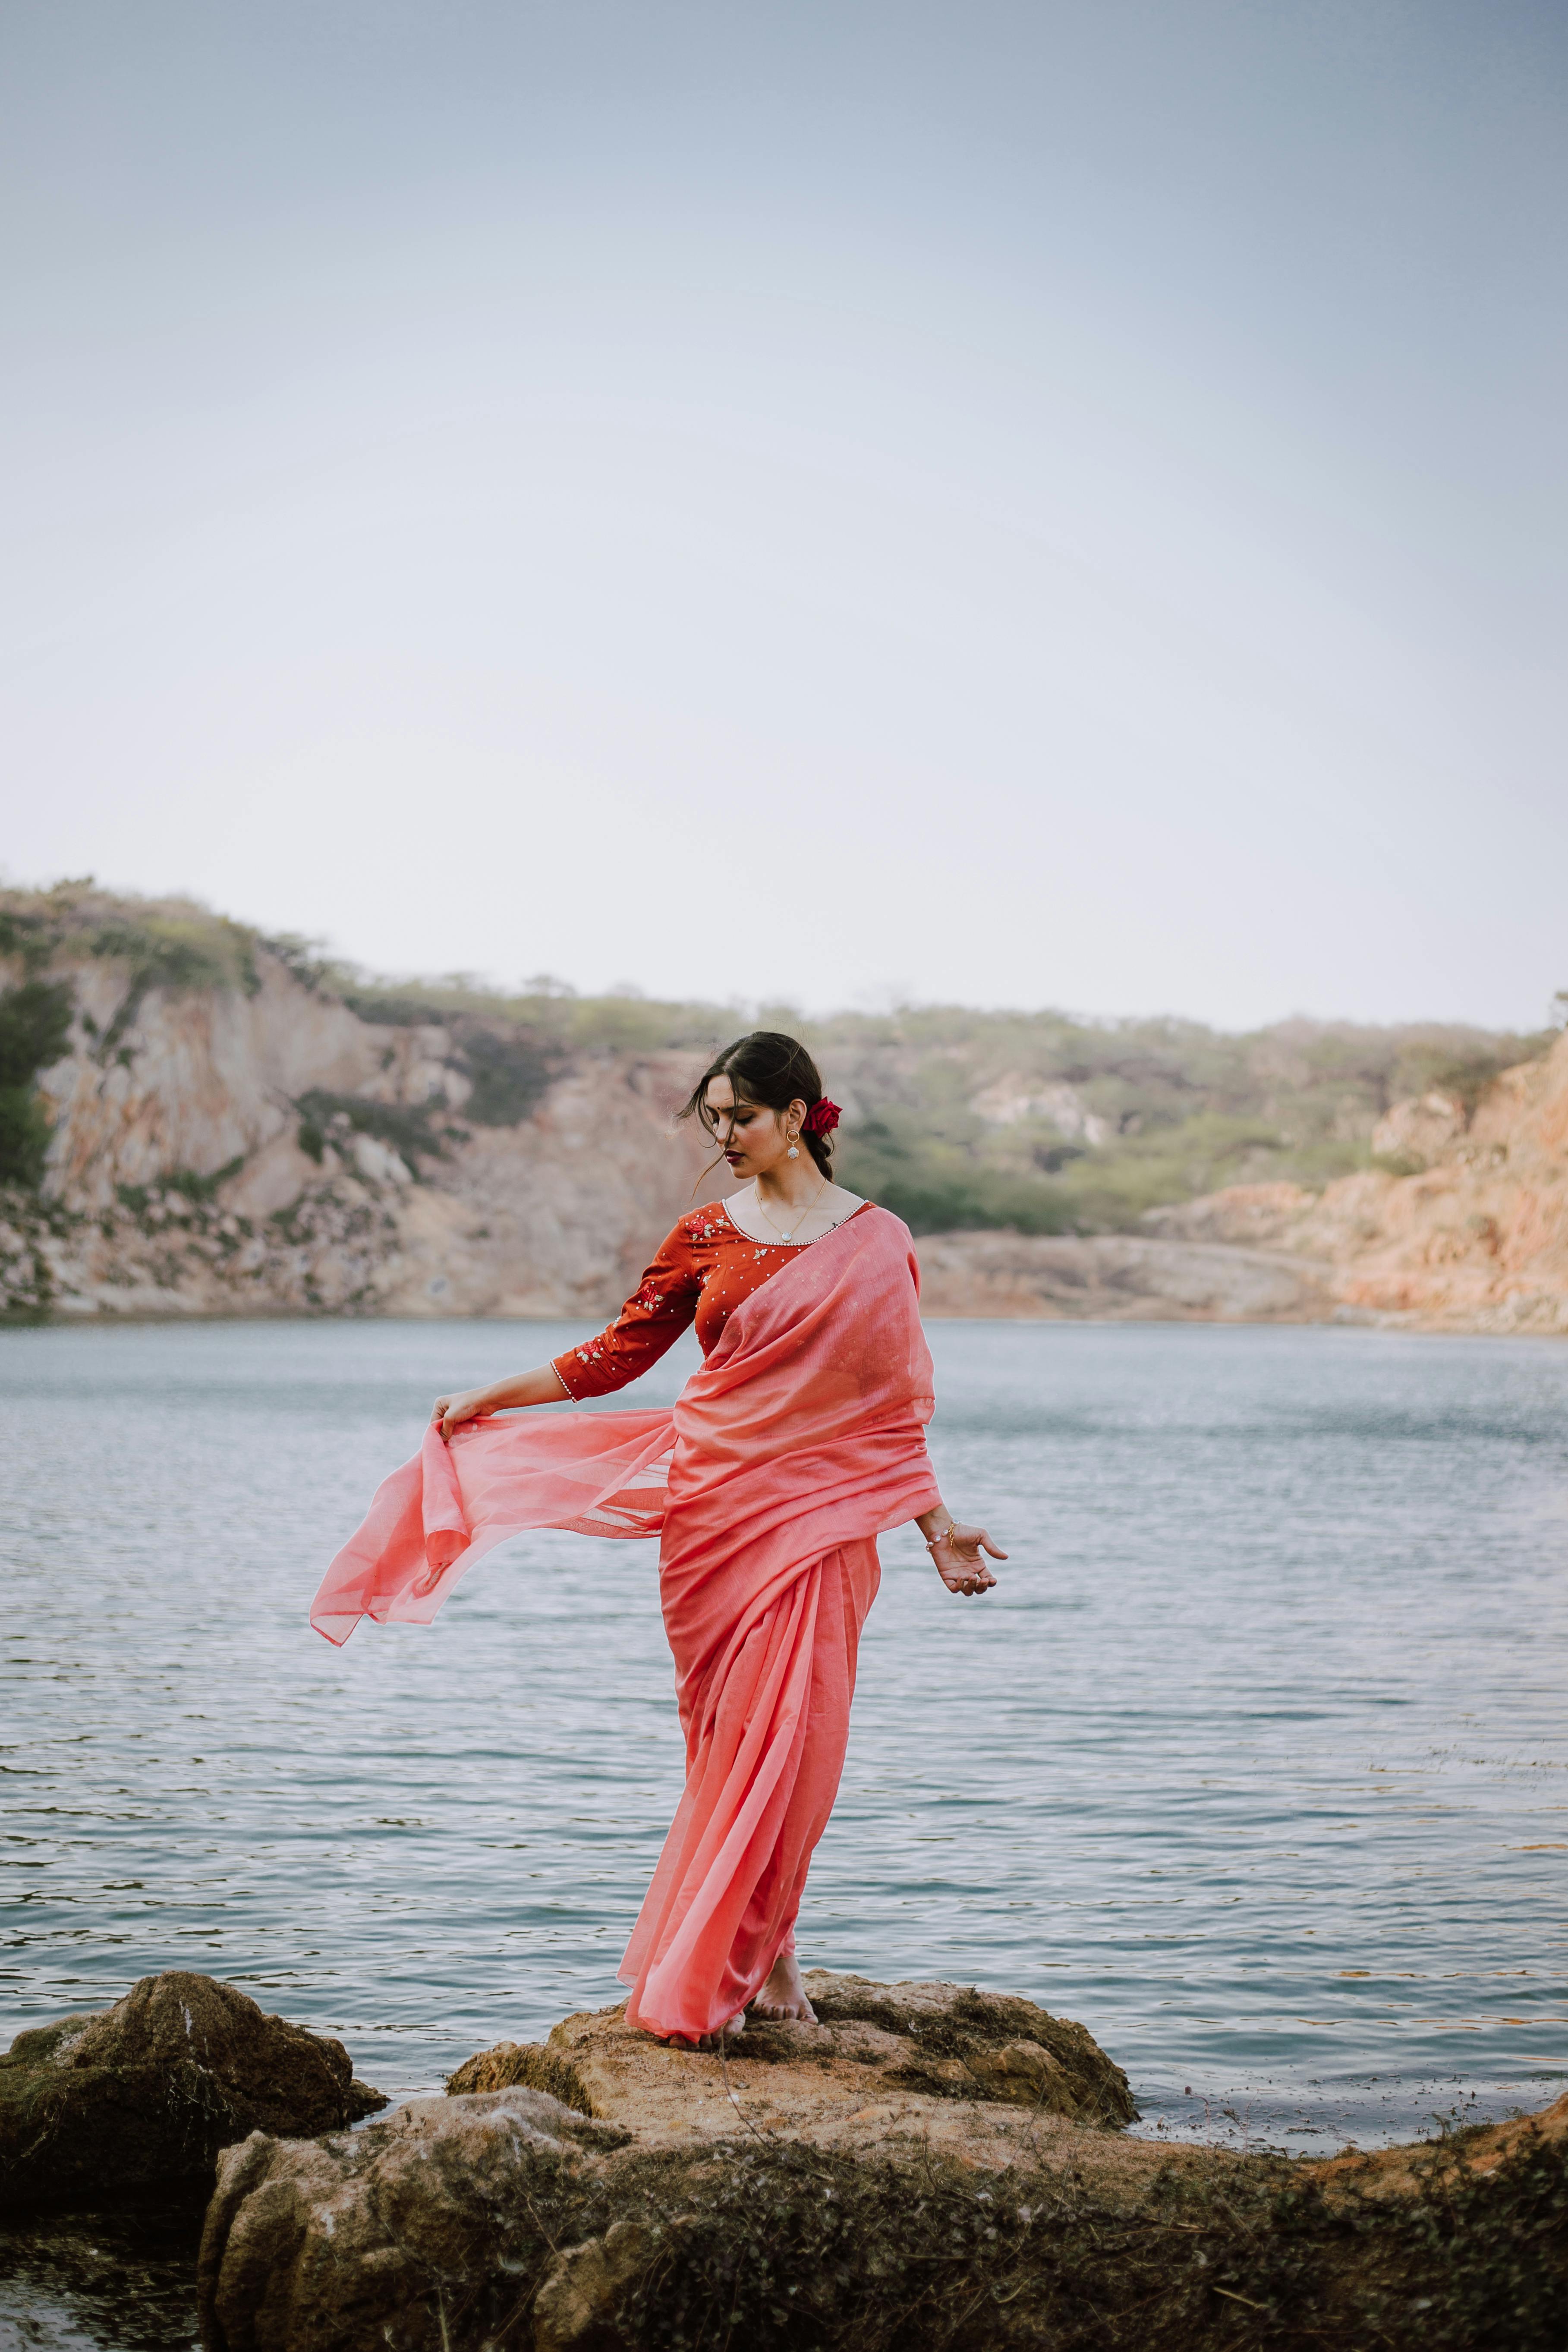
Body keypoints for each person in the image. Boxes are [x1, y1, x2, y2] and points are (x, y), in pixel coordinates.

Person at [311, 1031, 1004, 2049]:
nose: (724, 1134)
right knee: (724, 1744)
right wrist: (489, 1394)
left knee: (797, 1746)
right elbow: (616, 1353)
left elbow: (888, 1407)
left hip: (813, 1526)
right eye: (711, 1117)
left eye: (743, 1116)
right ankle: (766, 1959)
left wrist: (936, 1528)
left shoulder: (875, 1240)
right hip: (711, 1519)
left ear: (803, 1113)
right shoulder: (704, 1234)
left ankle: (767, 1953)